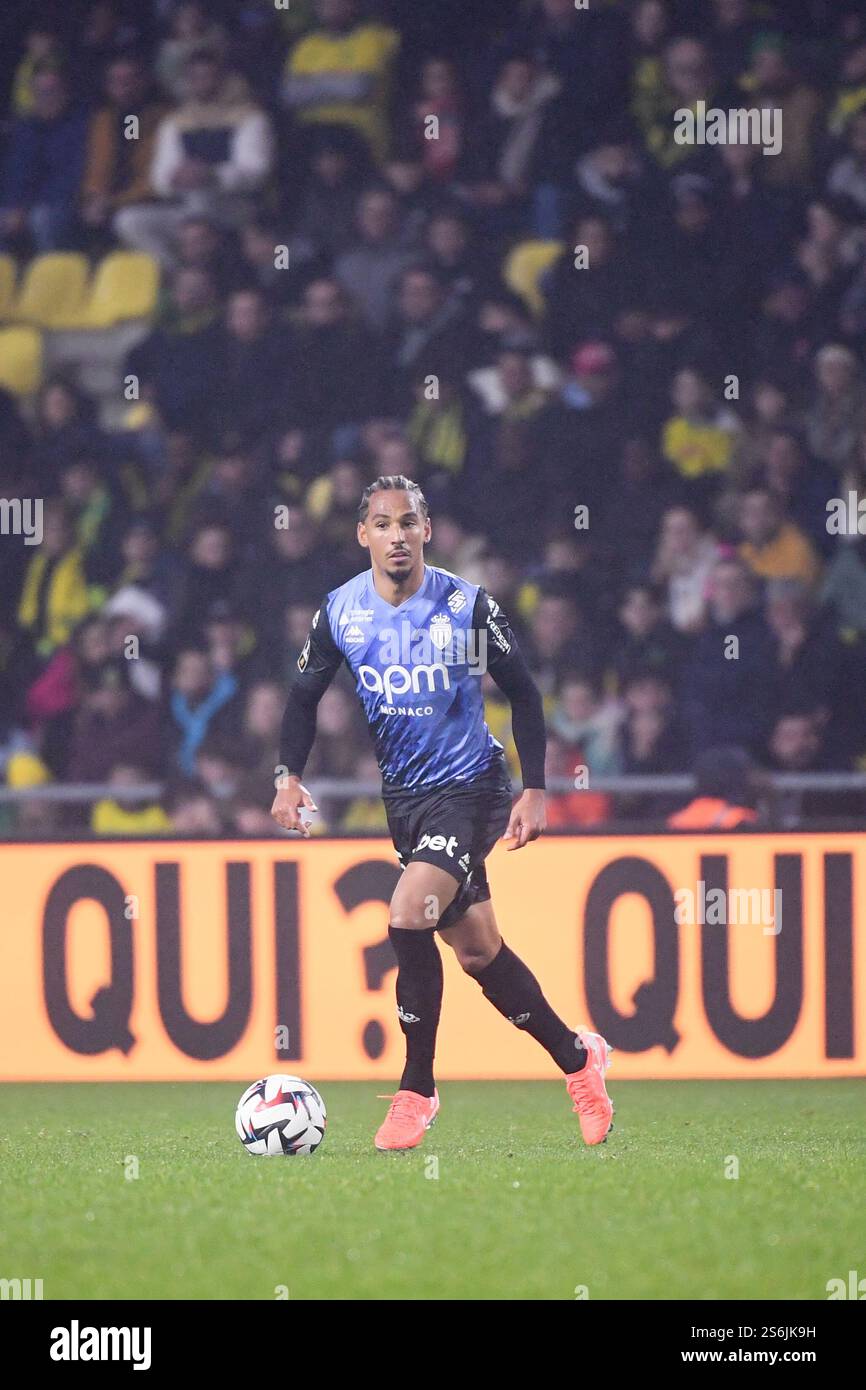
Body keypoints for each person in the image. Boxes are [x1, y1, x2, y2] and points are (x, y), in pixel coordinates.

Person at [271, 474, 613, 1151]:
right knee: (479, 952)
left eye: (408, 522)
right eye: (382, 523)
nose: (396, 534)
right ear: (362, 534)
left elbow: (524, 694)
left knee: (406, 911)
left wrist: (536, 788)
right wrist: (288, 778)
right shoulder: (341, 611)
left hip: (475, 786)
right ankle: (579, 1060)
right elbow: (301, 699)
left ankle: (416, 1089)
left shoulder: (465, 606)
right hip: (406, 800)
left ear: (426, 530)